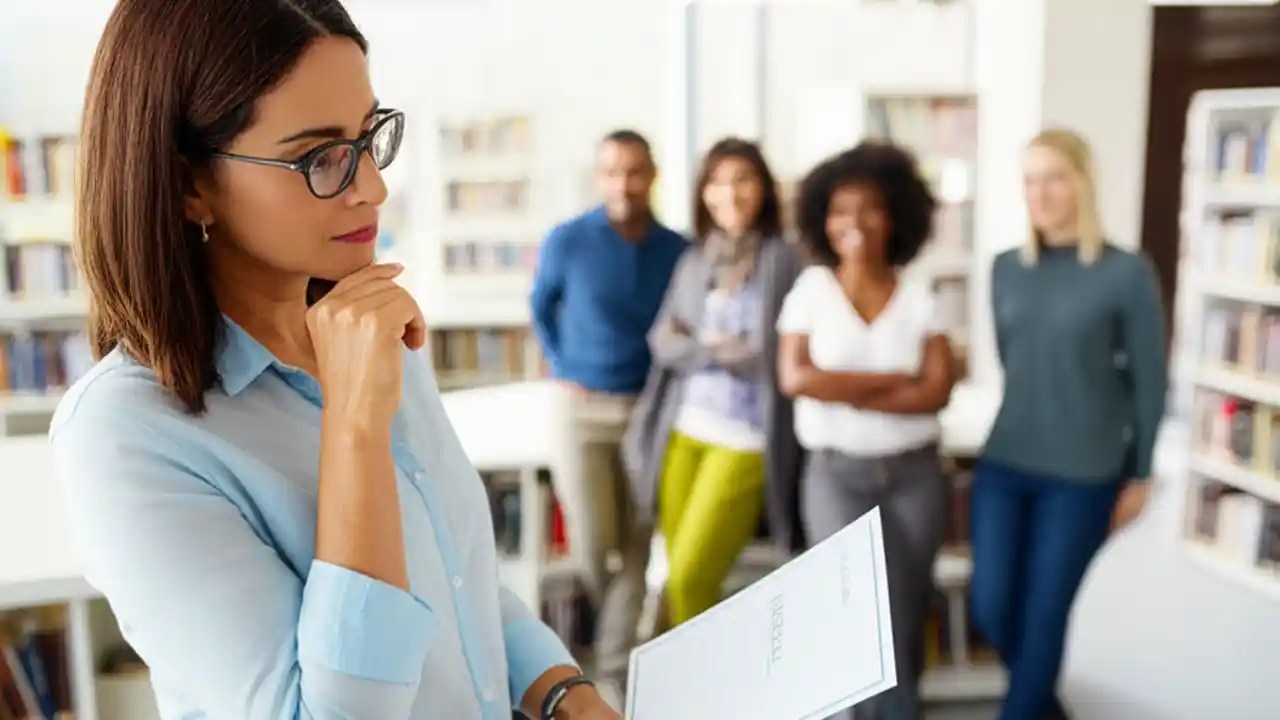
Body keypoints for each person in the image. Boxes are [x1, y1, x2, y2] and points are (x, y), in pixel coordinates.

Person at [51, 2, 618, 719]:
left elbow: (456, 577)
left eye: (368, 138)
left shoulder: (372, 330)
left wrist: (562, 690)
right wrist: (356, 429)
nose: (372, 188)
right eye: (319, 157)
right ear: (191, 184)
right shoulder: (124, 435)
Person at [970, 128, 1166, 720]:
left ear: (1083, 183)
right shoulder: (1004, 268)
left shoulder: (1125, 272)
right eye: (1030, 179)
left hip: (1083, 474)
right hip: (1006, 461)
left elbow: (1150, 381)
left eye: (1055, 176)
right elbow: (1014, 360)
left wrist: (1141, 474)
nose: (1041, 192)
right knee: (992, 608)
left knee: (1045, 615)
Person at [776, 142, 957, 720]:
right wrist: (891, 382)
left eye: (870, 208)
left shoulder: (921, 293)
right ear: (821, 220)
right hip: (836, 473)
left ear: (896, 215)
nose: (854, 223)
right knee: (843, 612)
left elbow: (936, 391)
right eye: (839, 209)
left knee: (903, 612)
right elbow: (796, 378)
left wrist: (841, 386)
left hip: (913, 476)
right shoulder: (811, 291)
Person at [528, 130, 686, 700]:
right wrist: (558, 363)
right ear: (600, 178)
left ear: (653, 175)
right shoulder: (568, 240)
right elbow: (540, 305)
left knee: (639, 543)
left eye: (636, 171)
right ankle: (624, 648)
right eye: (614, 172)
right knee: (596, 544)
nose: (625, 183)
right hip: (581, 411)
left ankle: (614, 670)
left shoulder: (677, 248)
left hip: (648, 411)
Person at [622, 138, 805, 628]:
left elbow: (770, 356)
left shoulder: (784, 259)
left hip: (745, 439)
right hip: (683, 432)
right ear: (704, 192)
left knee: (689, 578)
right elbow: (663, 339)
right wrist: (719, 349)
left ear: (764, 189)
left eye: (744, 179)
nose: (731, 193)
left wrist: (699, 344)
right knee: (678, 582)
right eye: (719, 181)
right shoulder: (695, 258)